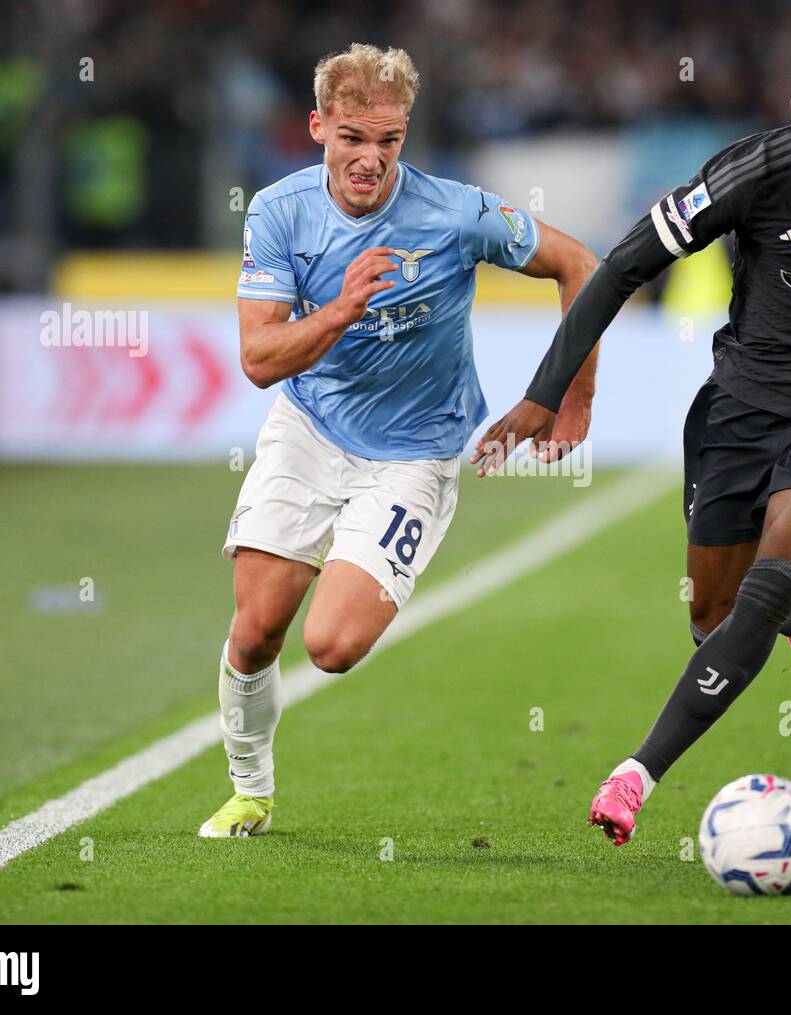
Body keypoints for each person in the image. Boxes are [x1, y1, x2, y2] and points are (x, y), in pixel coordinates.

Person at [472, 31, 791, 845]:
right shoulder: (751, 174)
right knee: (716, 616)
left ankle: (636, 774)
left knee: (768, 577)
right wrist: (547, 394)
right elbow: (620, 268)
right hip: (740, 414)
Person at [202, 43, 598, 837]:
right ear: (318, 127)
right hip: (309, 431)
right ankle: (252, 791)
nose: (371, 159)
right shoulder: (279, 213)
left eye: (389, 140)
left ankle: (356, 558)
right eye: (353, 137)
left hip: (414, 452)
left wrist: (568, 396)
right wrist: (342, 310)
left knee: (333, 644)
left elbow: (581, 264)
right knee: (253, 634)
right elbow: (256, 359)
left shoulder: (453, 212)